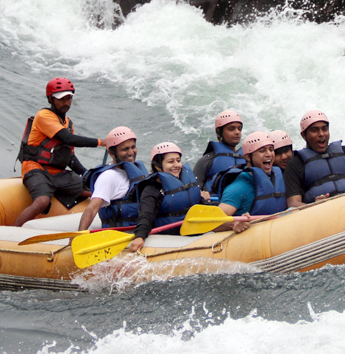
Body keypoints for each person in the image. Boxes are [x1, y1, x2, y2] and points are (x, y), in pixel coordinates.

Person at [14, 78, 104, 226]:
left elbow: (70, 157)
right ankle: (13, 231)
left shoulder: (68, 123)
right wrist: (101, 142)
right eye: (61, 99)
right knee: (42, 201)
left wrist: (85, 174)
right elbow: (68, 139)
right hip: (36, 169)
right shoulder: (44, 116)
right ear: (50, 99)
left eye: (69, 98)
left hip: (58, 174)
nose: (66, 103)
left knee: (97, 191)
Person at [284, 110, 345, 208]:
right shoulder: (296, 163)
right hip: (321, 214)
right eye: (314, 130)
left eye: (324, 129)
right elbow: (293, 204)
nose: (321, 134)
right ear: (304, 135)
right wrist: (313, 205)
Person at [126, 142, 204, 253]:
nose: (176, 165)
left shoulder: (184, 184)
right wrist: (140, 236)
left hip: (191, 233)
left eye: (178, 160)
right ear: (157, 166)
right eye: (170, 162)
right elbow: (146, 216)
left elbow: (201, 205)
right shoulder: (152, 189)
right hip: (167, 239)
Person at [77, 126, 149, 231]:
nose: (131, 152)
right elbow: (92, 209)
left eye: (133, 147)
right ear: (111, 153)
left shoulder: (138, 170)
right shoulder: (108, 176)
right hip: (120, 234)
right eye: (125, 149)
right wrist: (79, 234)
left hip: (142, 231)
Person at [217, 131, 287, 218]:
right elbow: (215, 222)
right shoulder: (238, 188)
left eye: (271, 149)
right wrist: (234, 224)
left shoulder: (276, 176)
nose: (269, 154)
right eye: (262, 151)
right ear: (247, 157)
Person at [192, 109, 246, 199]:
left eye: (239, 128)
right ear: (219, 132)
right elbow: (194, 190)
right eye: (231, 129)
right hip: (216, 206)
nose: (237, 132)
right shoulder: (207, 160)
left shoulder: (247, 157)